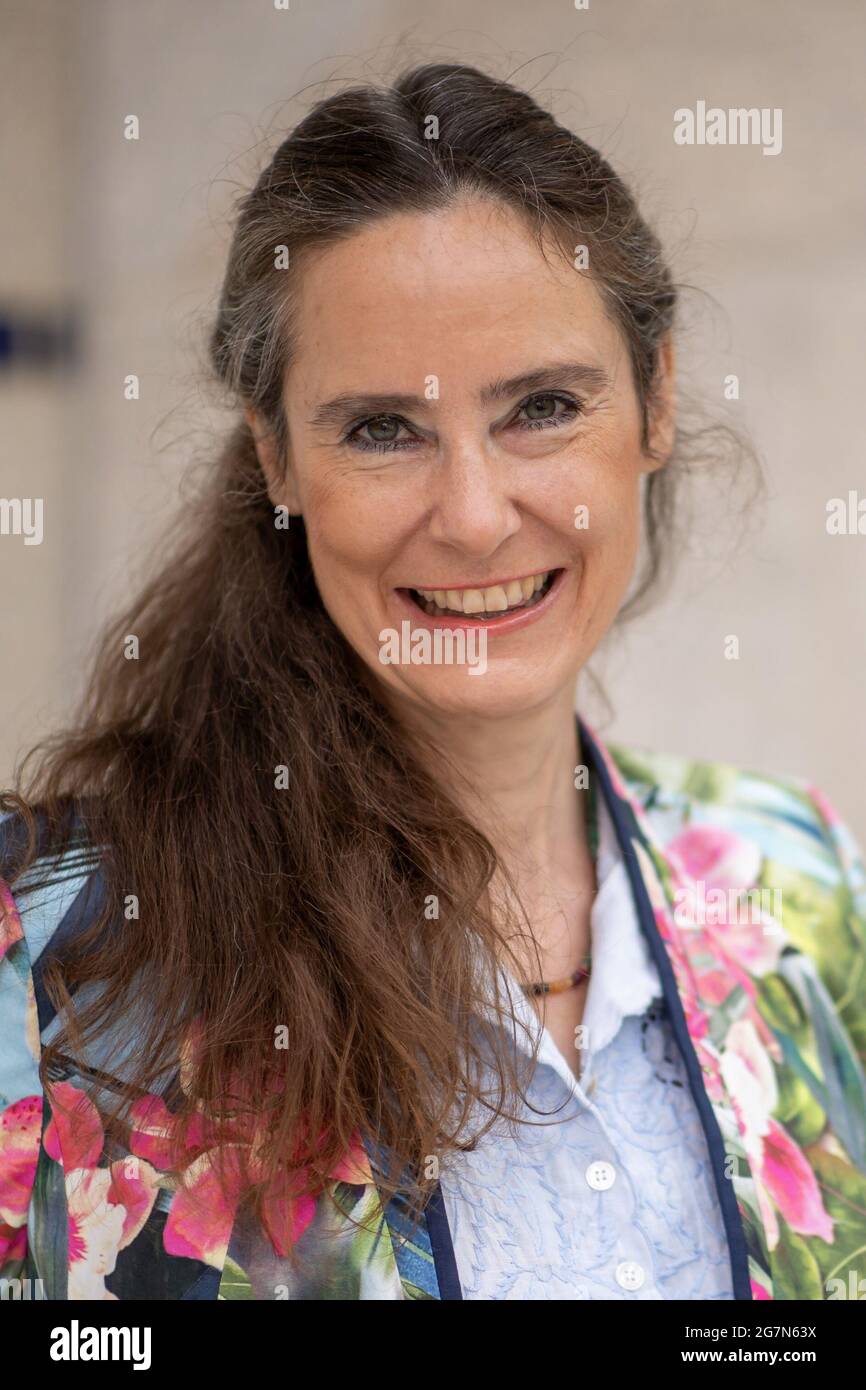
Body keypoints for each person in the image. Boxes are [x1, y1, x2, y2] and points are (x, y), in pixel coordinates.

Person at [1, 63, 864, 1303]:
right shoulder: (47, 951)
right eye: (379, 429)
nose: (471, 517)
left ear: (655, 400)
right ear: (275, 460)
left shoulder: (802, 881)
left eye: (543, 407)